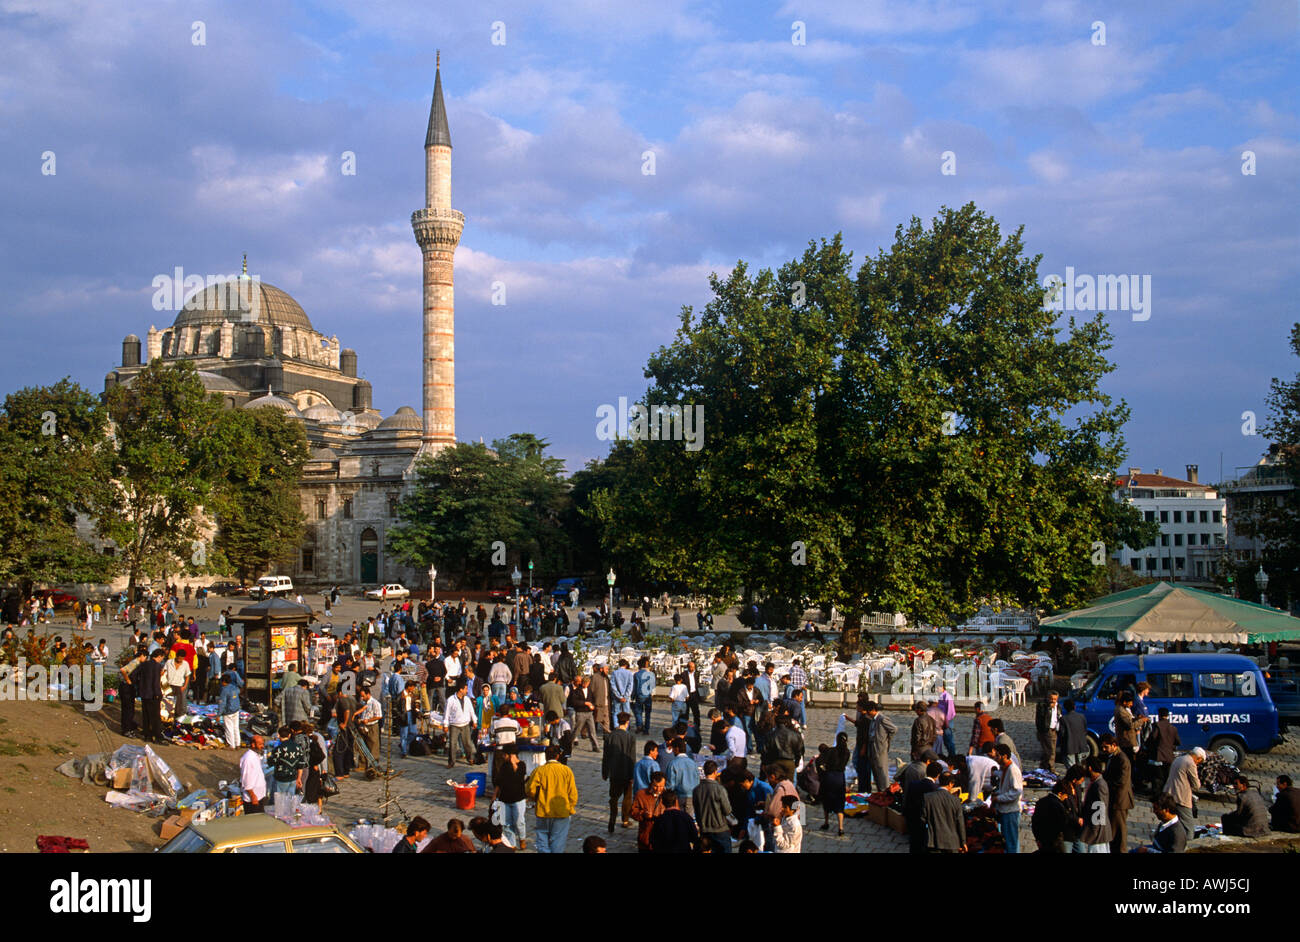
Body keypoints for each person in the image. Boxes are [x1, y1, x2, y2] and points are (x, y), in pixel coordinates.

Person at [526, 744, 578, 853]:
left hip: (543, 809)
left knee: (542, 835)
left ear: (546, 756)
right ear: (558, 756)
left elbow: (530, 789)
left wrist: (536, 799)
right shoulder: (566, 770)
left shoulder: (539, 771)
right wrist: (570, 806)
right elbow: (573, 793)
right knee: (558, 839)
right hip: (562, 810)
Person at [602, 711, 637, 832]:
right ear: (627, 722)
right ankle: (625, 820)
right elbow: (632, 757)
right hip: (627, 772)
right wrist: (633, 774)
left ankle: (612, 820)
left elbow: (606, 756)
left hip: (614, 773)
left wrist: (605, 772)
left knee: (614, 798)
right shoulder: (630, 737)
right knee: (627, 798)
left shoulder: (610, 736)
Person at [1099, 733, 1133, 853]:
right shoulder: (1112, 756)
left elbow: (1121, 781)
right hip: (1114, 800)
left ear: (1114, 745)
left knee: (1119, 832)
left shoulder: (1122, 759)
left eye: (1106, 747)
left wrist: (1104, 783)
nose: (1104, 750)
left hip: (1120, 801)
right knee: (1113, 830)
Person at [692, 759, 734, 852]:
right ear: (715, 772)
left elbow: (696, 810)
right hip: (720, 829)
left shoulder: (696, 790)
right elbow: (727, 810)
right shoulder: (720, 789)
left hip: (704, 829)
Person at [1163, 746, 1205, 840]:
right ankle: (1189, 843)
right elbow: (1196, 785)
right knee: (1188, 824)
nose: (1198, 763)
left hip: (1169, 792)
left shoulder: (1179, 758)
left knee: (1171, 819)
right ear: (1198, 758)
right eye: (1199, 761)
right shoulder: (1190, 763)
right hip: (1181, 796)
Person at [493, 745, 528, 850]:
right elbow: (499, 782)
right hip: (505, 799)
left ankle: (522, 838)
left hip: (518, 799)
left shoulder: (521, 765)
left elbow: (519, 777)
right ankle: (512, 844)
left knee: (519, 821)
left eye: (505, 754)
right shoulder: (504, 766)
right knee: (507, 824)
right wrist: (495, 795)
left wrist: (513, 764)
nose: (503, 756)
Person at [922, 771, 967, 853]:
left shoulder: (927, 798)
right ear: (950, 784)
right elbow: (960, 823)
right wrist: (963, 842)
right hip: (952, 843)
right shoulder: (956, 800)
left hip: (933, 842)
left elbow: (922, 819)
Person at [817, 732, 850, 836]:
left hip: (829, 777)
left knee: (826, 800)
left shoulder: (831, 751)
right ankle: (840, 827)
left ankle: (826, 822)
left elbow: (820, 761)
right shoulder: (847, 752)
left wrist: (822, 772)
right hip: (840, 778)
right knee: (840, 802)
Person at [905, 760, 942, 854]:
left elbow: (907, 801)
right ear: (938, 775)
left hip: (913, 819)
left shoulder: (913, 784)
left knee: (914, 845)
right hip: (925, 823)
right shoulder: (934, 789)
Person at [993, 743, 1024, 854]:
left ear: (1004, 756)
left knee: (1012, 843)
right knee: (1007, 841)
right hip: (1005, 810)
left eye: (997, 756)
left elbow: (1016, 791)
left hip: (1011, 811)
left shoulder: (1013, 770)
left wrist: (999, 798)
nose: (995, 758)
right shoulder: (1005, 769)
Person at [1080, 756, 1112, 853]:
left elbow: (1100, 809)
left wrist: (1094, 831)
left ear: (1090, 768)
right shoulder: (1097, 783)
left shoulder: (1099, 785)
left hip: (1098, 833)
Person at [630, 770, 668, 853]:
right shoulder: (641, 794)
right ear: (651, 783)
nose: (658, 789)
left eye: (661, 786)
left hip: (664, 835)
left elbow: (675, 812)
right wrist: (643, 814)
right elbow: (633, 812)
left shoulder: (669, 795)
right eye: (656, 786)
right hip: (646, 834)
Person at [1032, 780, 1074, 853]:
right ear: (1060, 793)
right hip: (1055, 842)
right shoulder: (1059, 806)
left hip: (1042, 840)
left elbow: (1034, 822)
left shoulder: (1041, 802)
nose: (1066, 798)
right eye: (1066, 795)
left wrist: (1038, 839)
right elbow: (1063, 824)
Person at [1146, 707, 1181, 791]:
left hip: (1158, 756)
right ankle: (1166, 792)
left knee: (1158, 777)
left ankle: (1157, 794)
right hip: (1169, 757)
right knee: (1167, 777)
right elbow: (1178, 742)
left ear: (1159, 715)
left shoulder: (1157, 726)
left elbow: (1153, 738)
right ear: (1167, 716)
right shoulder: (1173, 728)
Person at [136, 648, 166, 744]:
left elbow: (137, 676)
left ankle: (147, 735)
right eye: (162, 658)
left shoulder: (144, 664)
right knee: (155, 717)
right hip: (153, 694)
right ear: (159, 656)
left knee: (146, 715)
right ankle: (157, 737)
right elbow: (155, 682)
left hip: (144, 693)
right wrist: (158, 694)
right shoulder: (157, 666)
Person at [866, 701, 897, 792]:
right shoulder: (872, 720)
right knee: (876, 773)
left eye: (868, 712)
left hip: (880, 749)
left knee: (882, 771)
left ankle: (886, 791)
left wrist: (886, 740)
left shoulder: (882, 719)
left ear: (872, 710)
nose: (867, 714)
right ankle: (880, 791)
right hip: (872, 748)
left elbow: (894, 729)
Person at [445, 680, 477, 768]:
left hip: (465, 724)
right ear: (461, 689)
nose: (467, 691)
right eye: (466, 689)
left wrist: (474, 721)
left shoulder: (467, 699)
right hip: (454, 724)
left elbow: (471, 711)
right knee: (453, 744)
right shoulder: (451, 700)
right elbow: (446, 713)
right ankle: (451, 762)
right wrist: (445, 724)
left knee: (467, 743)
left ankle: (470, 758)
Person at [666, 739, 700, 815]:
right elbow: (697, 780)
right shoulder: (693, 763)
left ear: (676, 749)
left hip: (678, 797)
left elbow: (670, 784)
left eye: (673, 749)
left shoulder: (673, 764)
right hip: (692, 796)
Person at [118, 648, 146, 738]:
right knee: (128, 709)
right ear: (141, 656)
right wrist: (128, 681)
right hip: (126, 687)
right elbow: (123, 670)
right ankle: (126, 730)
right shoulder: (135, 663)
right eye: (145, 657)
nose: (145, 659)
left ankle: (128, 727)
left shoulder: (136, 663)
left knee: (128, 709)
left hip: (126, 687)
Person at [354, 687, 382, 775]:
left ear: (368, 694)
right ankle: (362, 764)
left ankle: (373, 766)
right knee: (362, 746)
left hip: (372, 727)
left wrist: (368, 720)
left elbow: (379, 716)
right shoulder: (362, 703)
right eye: (361, 696)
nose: (362, 698)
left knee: (373, 746)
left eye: (363, 696)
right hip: (363, 727)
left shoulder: (375, 703)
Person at [567, 675, 599, 752]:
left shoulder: (590, 690)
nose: (586, 685)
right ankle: (569, 744)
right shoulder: (577, 691)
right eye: (585, 683)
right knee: (577, 730)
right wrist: (585, 703)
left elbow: (593, 700)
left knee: (592, 730)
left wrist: (593, 706)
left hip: (589, 713)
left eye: (588, 683)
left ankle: (595, 746)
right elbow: (574, 702)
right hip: (580, 712)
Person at [239, 734, 267, 813]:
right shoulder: (248, 758)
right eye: (260, 744)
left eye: (263, 744)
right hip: (253, 799)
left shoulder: (255, 755)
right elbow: (246, 779)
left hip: (259, 796)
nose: (262, 746)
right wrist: (253, 796)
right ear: (253, 744)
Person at [1034, 691, 1061, 771]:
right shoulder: (1043, 705)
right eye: (1051, 698)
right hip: (1046, 731)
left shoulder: (1058, 706)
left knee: (1050, 751)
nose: (1053, 701)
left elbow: (1058, 716)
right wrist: (1049, 707)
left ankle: (1043, 767)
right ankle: (1051, 769)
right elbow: (1040, 718)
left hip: (1054, 730)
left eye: (1055, 699)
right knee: (1050, 751)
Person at [1060, 699, 1089, 769]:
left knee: (1071, 767)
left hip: (1069, 746)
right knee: (1080, 766)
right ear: (1075, 707)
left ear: (1065, 708)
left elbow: (1062, 734)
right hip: (1081, 745)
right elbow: (1085, 730)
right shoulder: (1082, 716)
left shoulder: (1063, 719)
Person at [217, 672, 242, 749]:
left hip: (228, 711)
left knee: (229, 728)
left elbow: (222, 703)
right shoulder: (234, 687)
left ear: (223, 682)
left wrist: (218, 714)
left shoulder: (224, 690)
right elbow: (238, 692)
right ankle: (238, 744)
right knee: (236, 727)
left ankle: (231, 745)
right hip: (236, 709)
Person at [632, 657, 656, 735]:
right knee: (647, 713)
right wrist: (652, 694)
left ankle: (639, 725)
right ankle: (646, 729)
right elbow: (653, 686)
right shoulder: (651, 674)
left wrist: (632, 696)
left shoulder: (636, 675)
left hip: (639, 695)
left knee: (638, 712)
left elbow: (634, 687)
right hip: (648, 695)